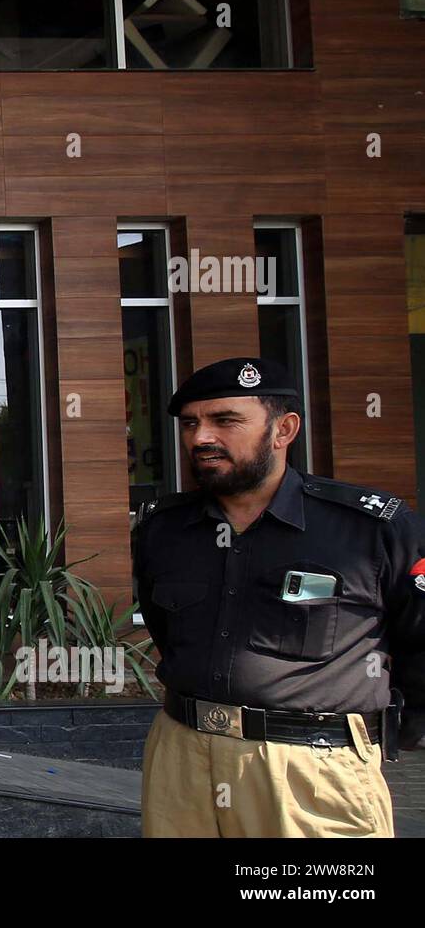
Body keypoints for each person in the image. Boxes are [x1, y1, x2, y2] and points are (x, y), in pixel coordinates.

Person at [133, 356, 424, 837]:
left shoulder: (371, 529)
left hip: (310, 770)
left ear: (283, 430)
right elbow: (170, 633)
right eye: (190, 423)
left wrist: (388, 731)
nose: (201, 437)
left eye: (225, 420)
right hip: (180, 760)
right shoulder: (163, 529)